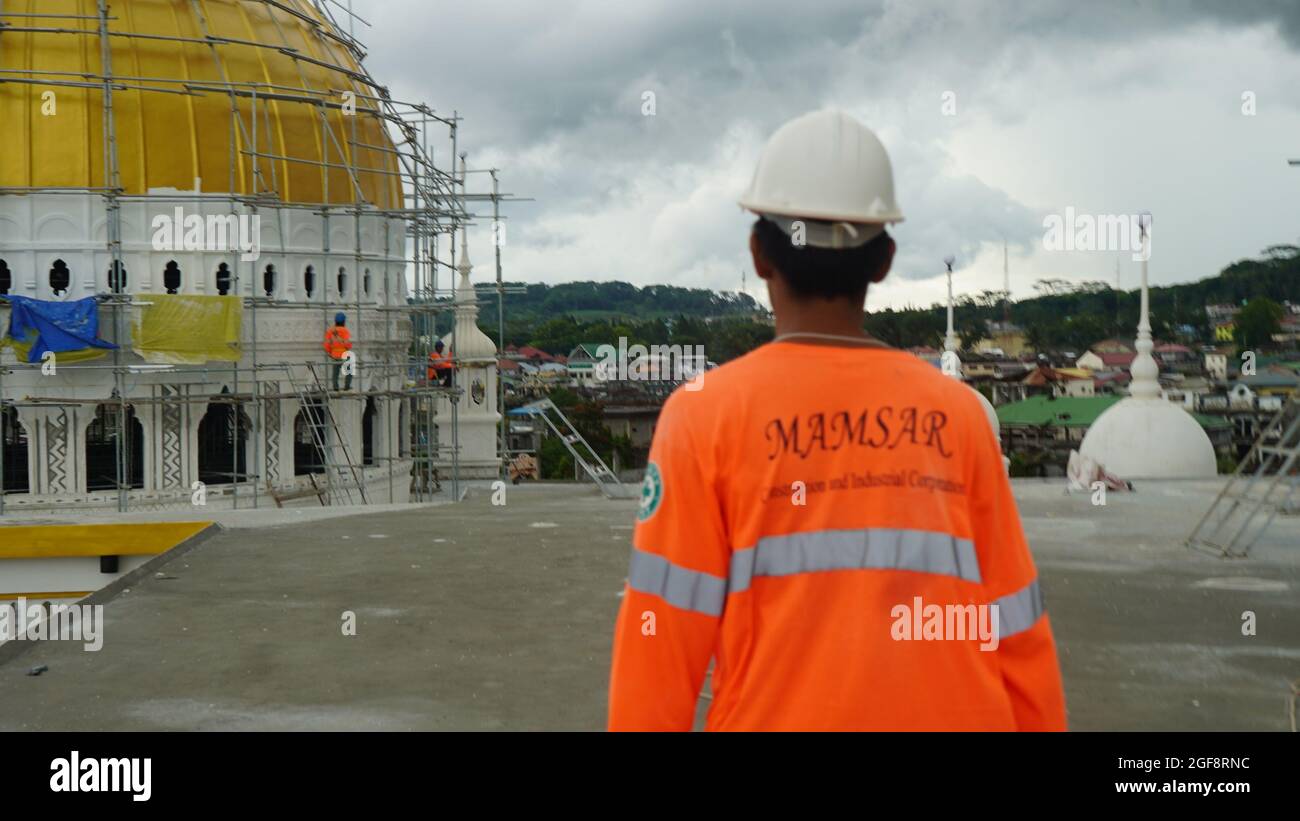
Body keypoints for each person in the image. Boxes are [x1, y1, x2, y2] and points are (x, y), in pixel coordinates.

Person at [607, 110, 1066, 731]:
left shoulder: (703, 416)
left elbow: (658, 641)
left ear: (759, 256)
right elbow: (1015, 625)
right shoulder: (958, 416)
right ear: (883, 261)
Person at [323, 311, 352, 391]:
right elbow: (347, 344)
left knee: (335, 373)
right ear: (343, 321)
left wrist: (329, 352)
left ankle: (335, 387)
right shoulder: (345, 331)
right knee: (349, 371)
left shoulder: (330, 331)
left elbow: (326, 344)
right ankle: (347, 386)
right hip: (344, 354)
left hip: (334, 354)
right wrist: (348, 347)